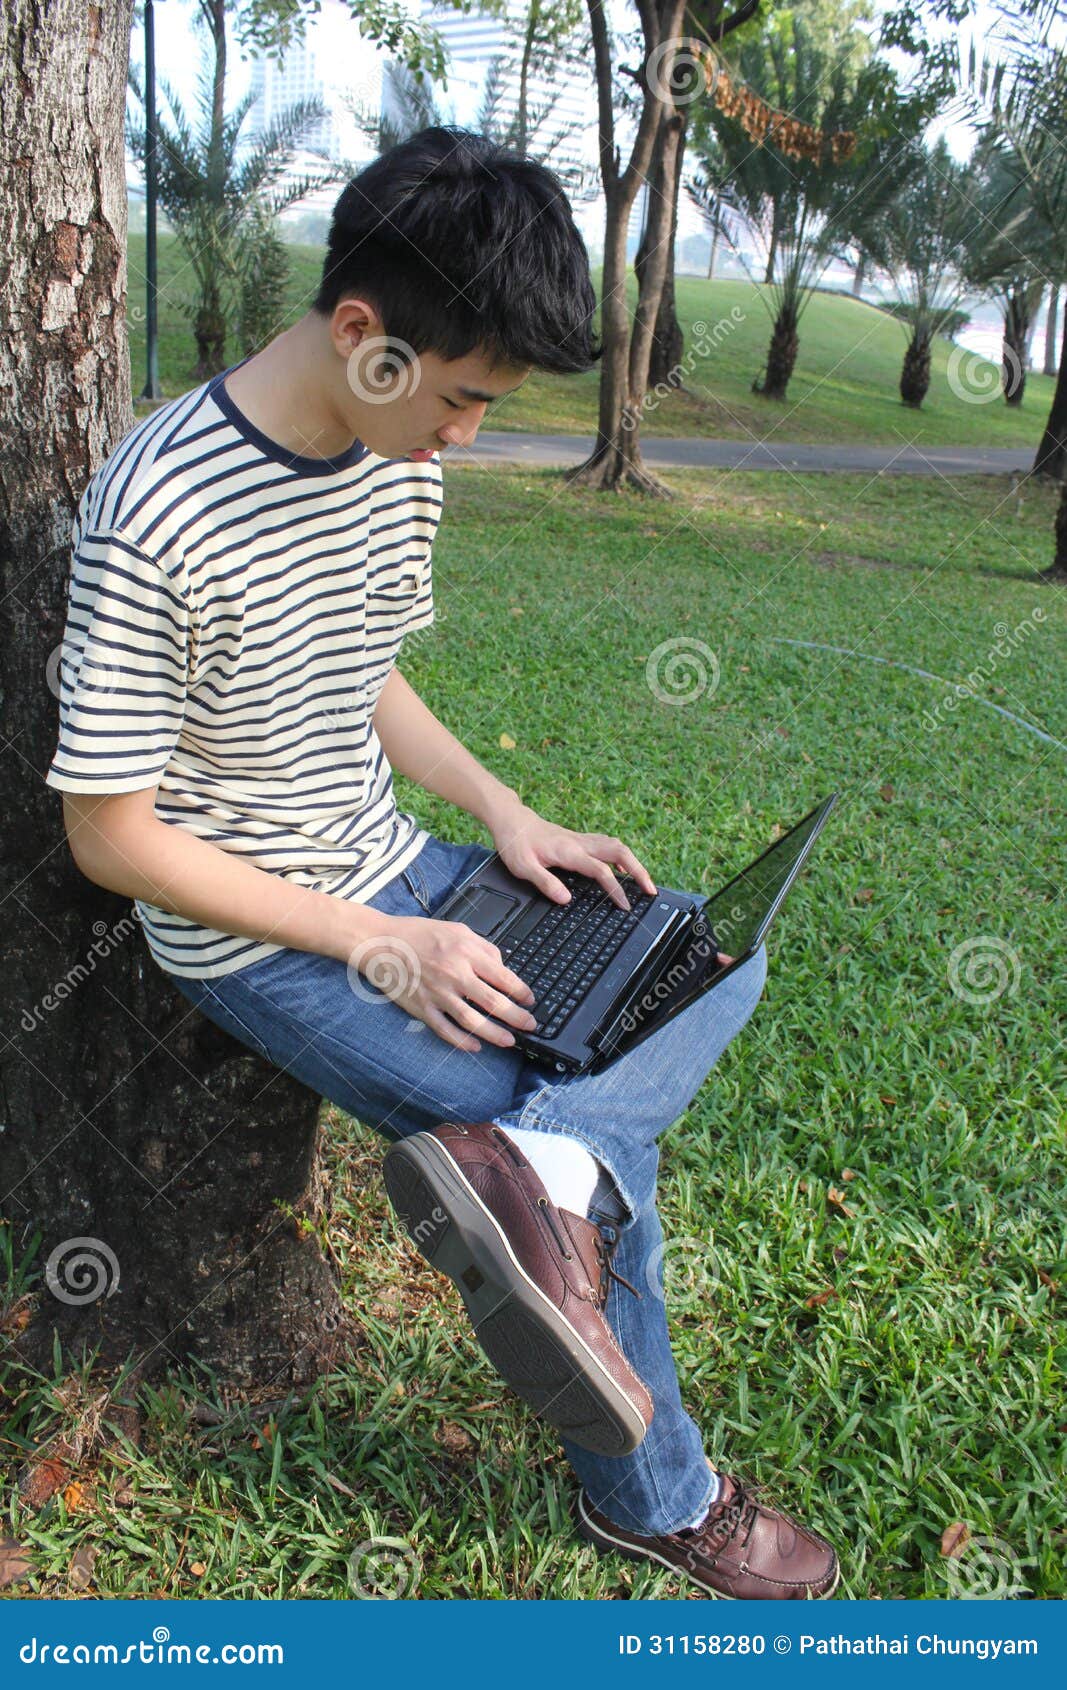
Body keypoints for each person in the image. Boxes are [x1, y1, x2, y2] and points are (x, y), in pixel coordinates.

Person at [45, 127, 839, 1600]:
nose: (470, 433)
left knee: (697, 946)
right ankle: (661, 1495)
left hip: (410, 863)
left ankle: (554, 1162)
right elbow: (112, 835)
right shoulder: (157, 508)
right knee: (601, 1168)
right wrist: (372, 945)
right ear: (364, 334)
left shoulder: (391, 454)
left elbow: (366, 675)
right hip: (267, 931)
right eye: (467, 396)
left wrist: (507, 810)